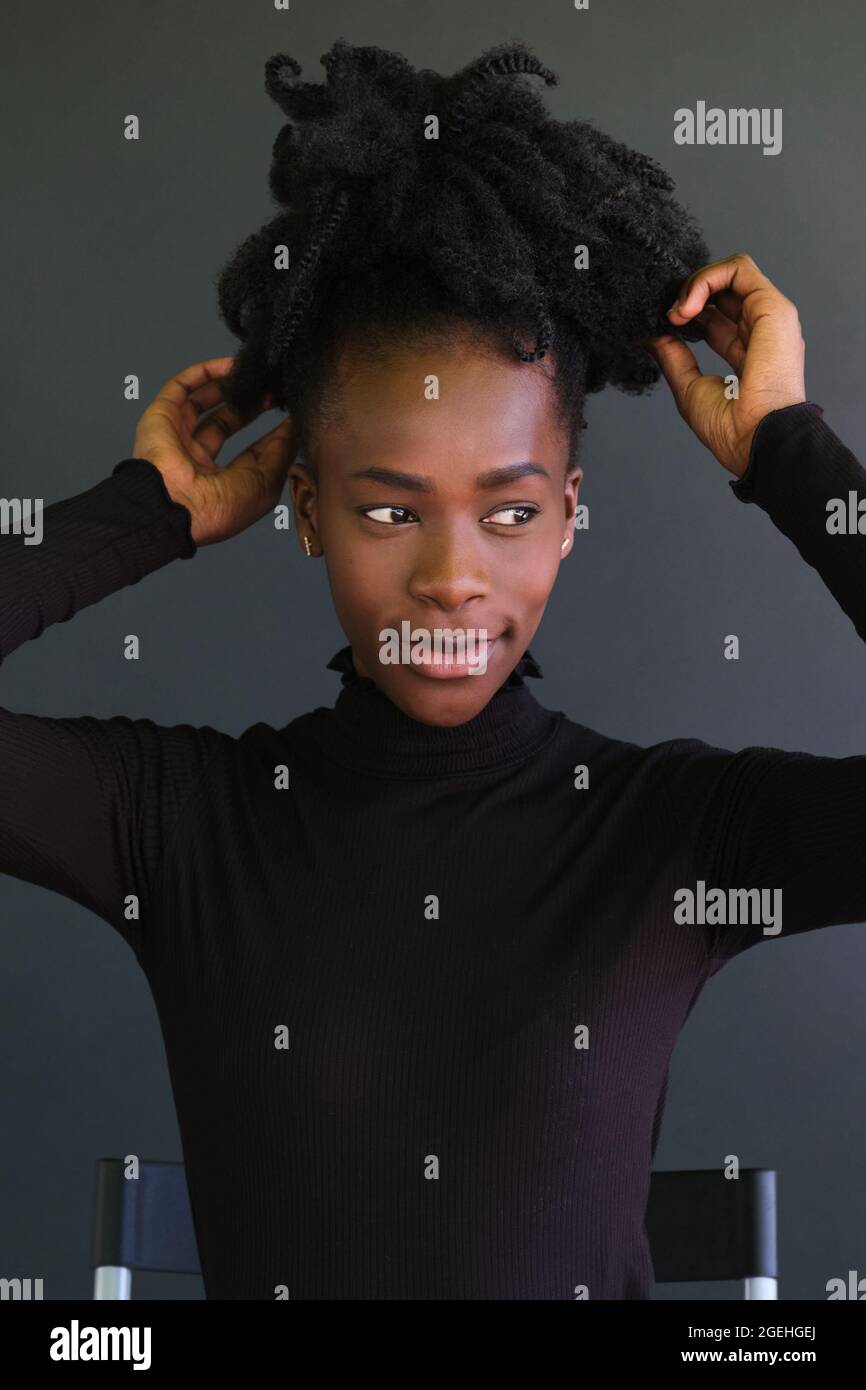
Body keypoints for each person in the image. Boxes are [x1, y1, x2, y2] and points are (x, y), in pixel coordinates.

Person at [2, 39, 865, 1300]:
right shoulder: (177, 824)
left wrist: (788, 447)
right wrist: (145, 508)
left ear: (571, 514)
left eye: (509, 512)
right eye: (389, 510)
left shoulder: (679, 840)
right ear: (302, 508)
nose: (451, 576)